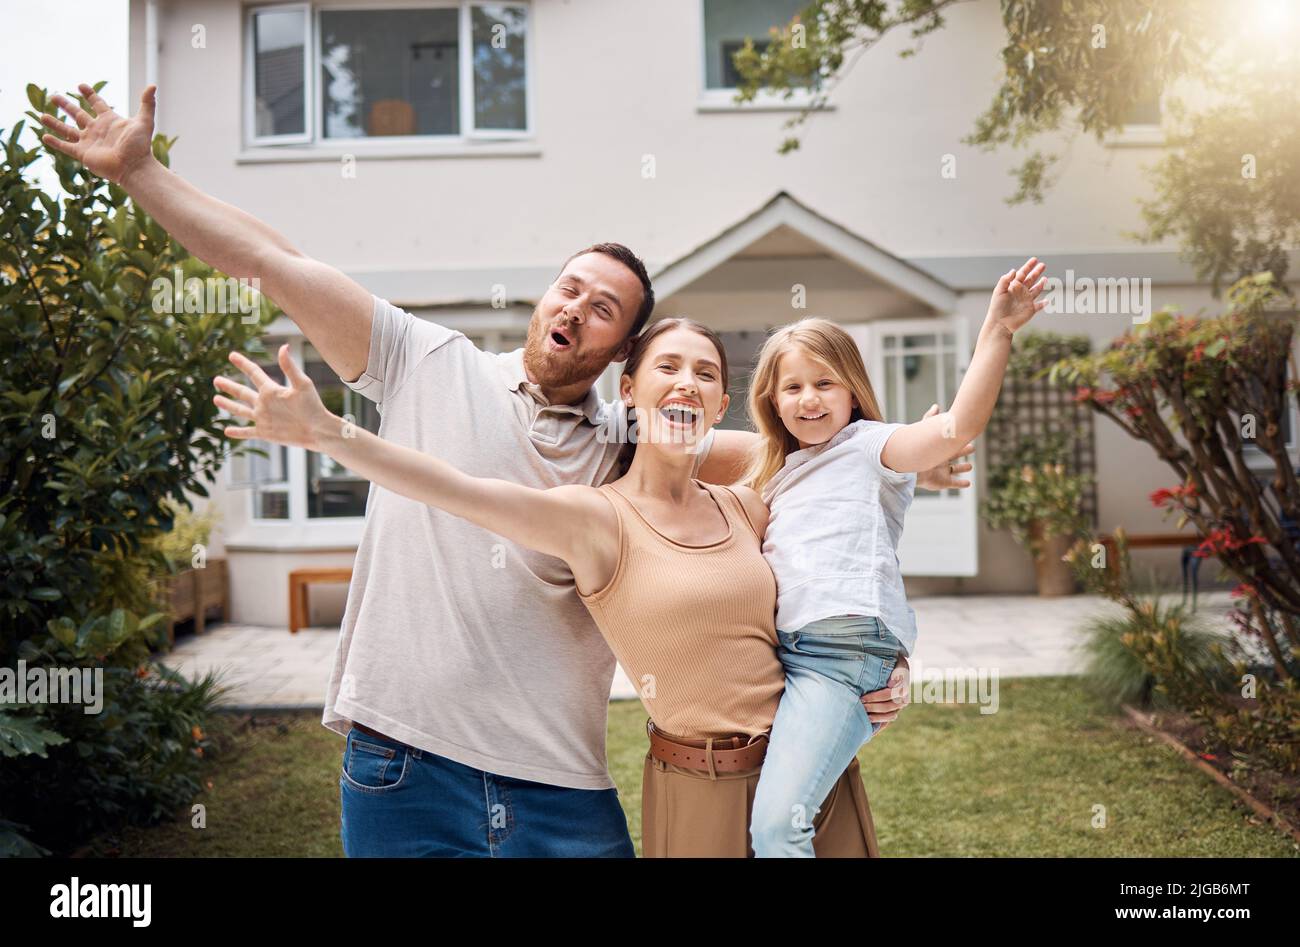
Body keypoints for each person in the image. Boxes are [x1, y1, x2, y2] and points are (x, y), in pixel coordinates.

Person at [41, 84, 961, 856]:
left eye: (604, 309)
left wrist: (875, 634)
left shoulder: (628, 447)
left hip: (563, 784)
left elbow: (807, 465)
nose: (577, 307)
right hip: (403, 763)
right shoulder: (422, 360)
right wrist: (141, 173)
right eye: (570, 287)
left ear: (618, 355)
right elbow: (277, 261)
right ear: (544, 298)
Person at [744, 260, 1047, 857]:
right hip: (794, 657)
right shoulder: (775, 473)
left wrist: (997, 331)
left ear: (853, 390)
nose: (809, 399)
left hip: (843, 654)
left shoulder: (869, 446)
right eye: (793, 386)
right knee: (777, 816)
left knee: (779, 829)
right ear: (772, 401)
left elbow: (954, 429)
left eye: (825, 382)